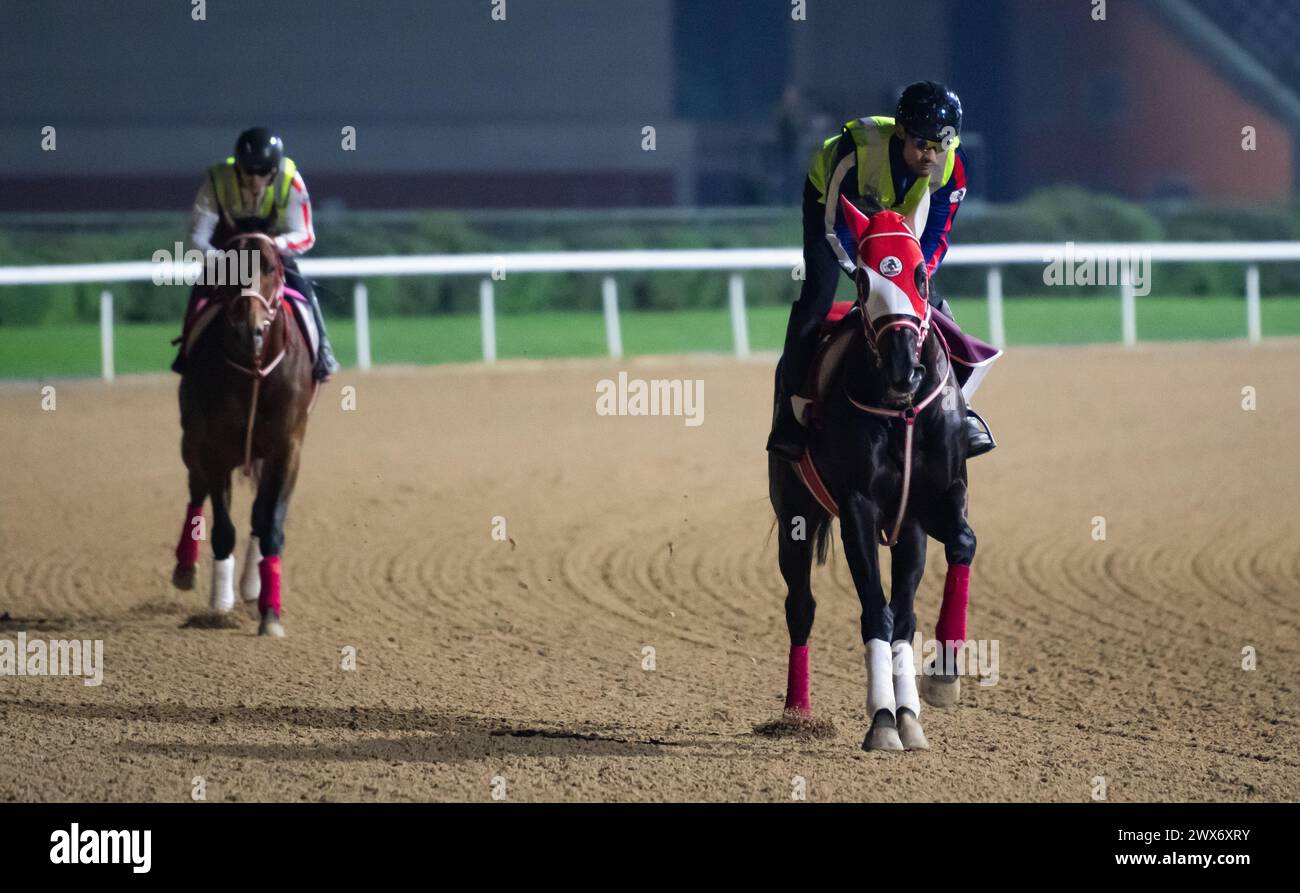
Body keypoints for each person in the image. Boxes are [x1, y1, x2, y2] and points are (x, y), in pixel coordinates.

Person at [767, 81, 994, 461]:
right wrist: (866, 276)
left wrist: (912, 279)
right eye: (923, 145)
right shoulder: (854, 155)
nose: (932, 157)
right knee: (816, 300)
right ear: (901, 133)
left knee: (932, 304)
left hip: (900, 217)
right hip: (835, 209)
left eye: (941, 146)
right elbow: (833, 229)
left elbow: (936, 235)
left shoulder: (952, 167)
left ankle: (960, 412)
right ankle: (790, 418)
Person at [173, 127, 339, 381]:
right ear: (238, 166)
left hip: (273, 252)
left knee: (303, 291)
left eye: (262, 172)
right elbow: (198, 238)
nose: (254, 180)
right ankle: (186, 352)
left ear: (273, 170)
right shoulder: (217, 179)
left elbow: (305, 235)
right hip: (228, 253)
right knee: (201, 290)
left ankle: (323, 351)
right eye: (248, 171)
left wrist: (274, 245)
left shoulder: (291, 181)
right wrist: (222, 261)